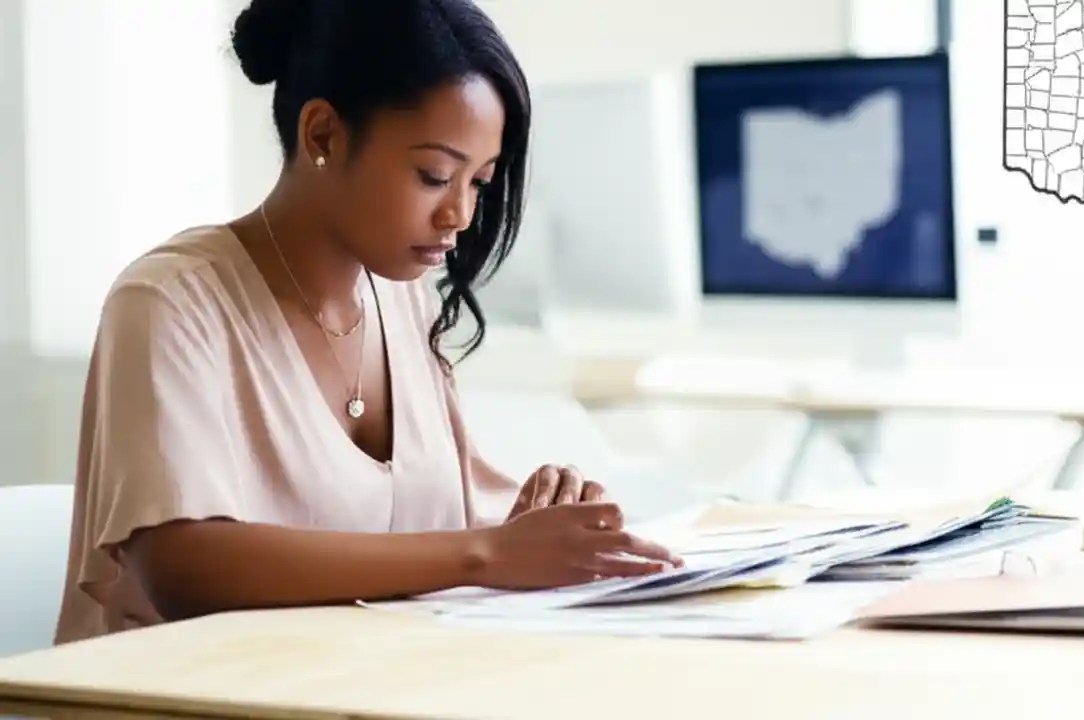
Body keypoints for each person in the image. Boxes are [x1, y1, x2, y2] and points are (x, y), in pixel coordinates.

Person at [54, 0, 681, 645]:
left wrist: (539, 521)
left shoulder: (400, 300)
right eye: (434, 175)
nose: (460, 215)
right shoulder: (170, 301)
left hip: (364, 688)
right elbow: (180, 566)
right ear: (322, 135)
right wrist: (488, 553)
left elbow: (442, 527)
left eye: (481, 182)